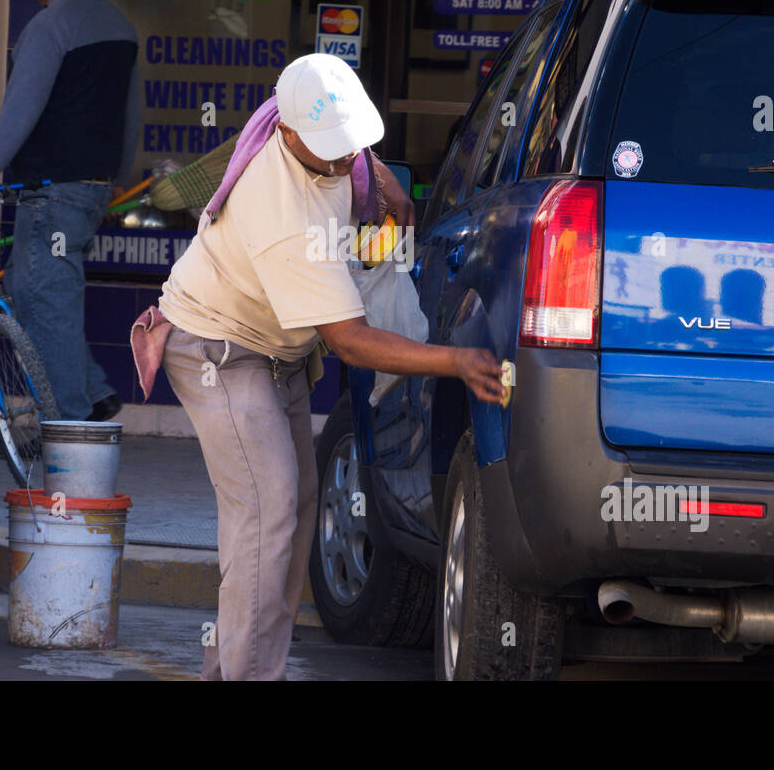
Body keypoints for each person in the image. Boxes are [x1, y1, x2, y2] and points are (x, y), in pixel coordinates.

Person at [146, 53, 506, 680]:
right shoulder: (282, 210)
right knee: (268, 510)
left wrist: (383, 176)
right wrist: (454, 360)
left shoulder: (319, 134)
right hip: (217, 349)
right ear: (288, 136)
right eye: (333, 151)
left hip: (274, 353)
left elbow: (359, 160)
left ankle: (232, 667)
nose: (346, 160)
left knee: (292, 508)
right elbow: (349, 341)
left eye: (353, 146)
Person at [0, 0, 141, 422]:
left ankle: (73, 427)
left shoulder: (49, 28)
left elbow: (18, 117)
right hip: (90, 193)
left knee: (45, 303)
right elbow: (133, 115)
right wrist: (116, 181)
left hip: (52, 195)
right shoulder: (120, 26)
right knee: (32, 289)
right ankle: (94, 391)